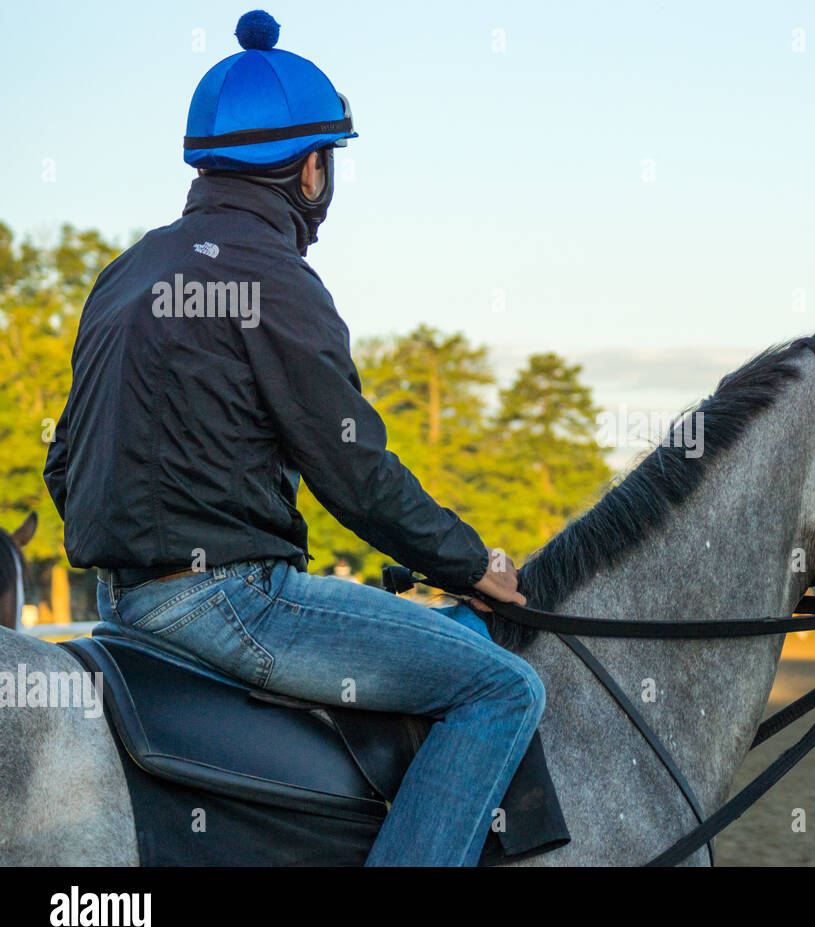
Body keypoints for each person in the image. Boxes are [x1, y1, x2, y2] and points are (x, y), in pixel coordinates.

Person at [42, 10, 544, 866]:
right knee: (503, 687)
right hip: (233, 605)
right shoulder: (278, 280)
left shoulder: (122, 275)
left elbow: (64, 465)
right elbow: (354, 474)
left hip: (114, 607)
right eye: (330, 164)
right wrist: (470, 563)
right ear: (313, 170)